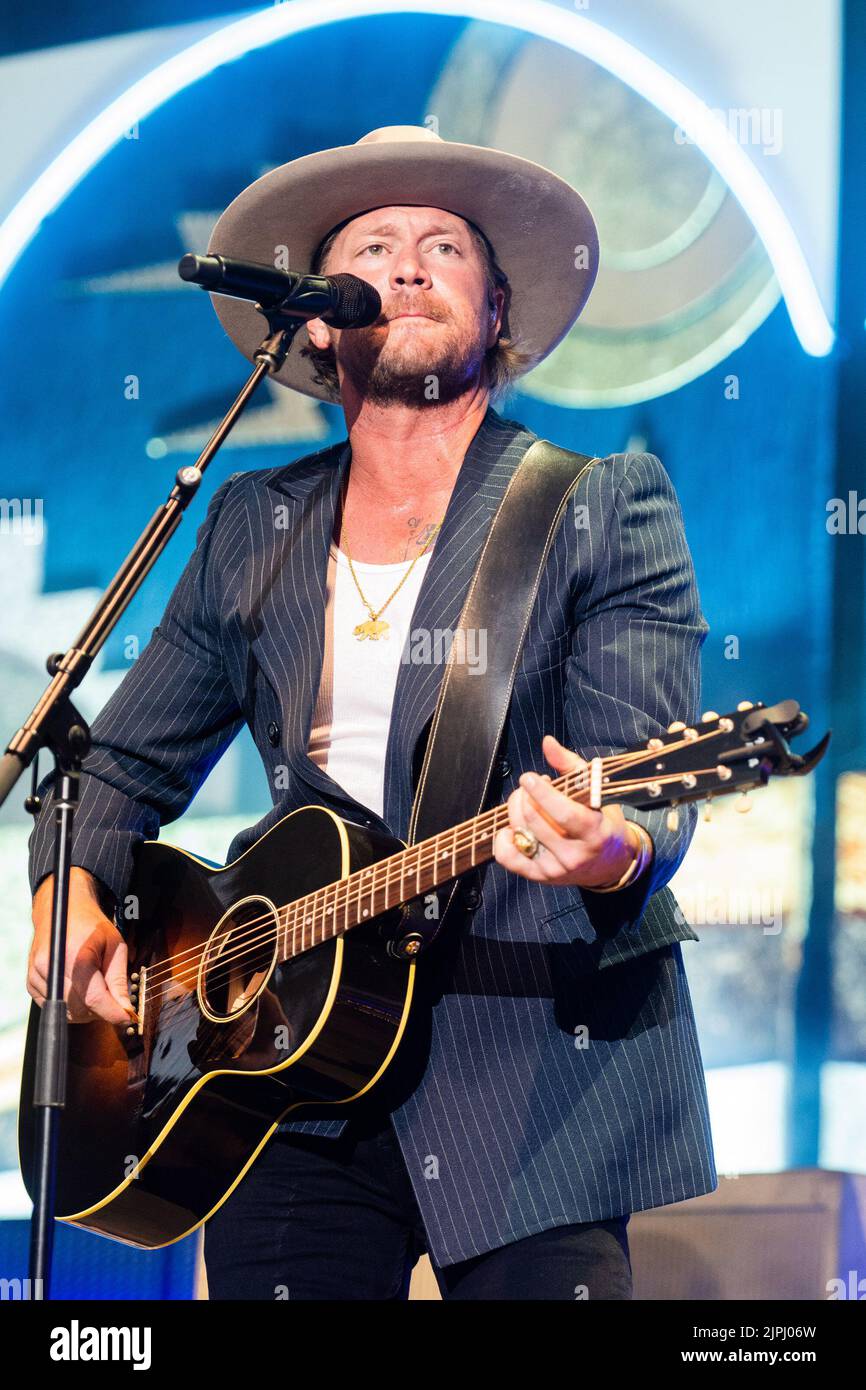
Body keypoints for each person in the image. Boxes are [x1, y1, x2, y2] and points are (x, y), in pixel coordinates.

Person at [27, 126, 717, 1300]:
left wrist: (612, 850)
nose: (406, 264)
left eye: (443, 246)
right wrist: (70, 889)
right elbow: (119, 764)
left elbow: (643, 786)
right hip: (284, 1076)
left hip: (532, 1060)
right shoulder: (255, 522)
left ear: (495, 313)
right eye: (373, 246)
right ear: (311, 319)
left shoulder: (598, 504)